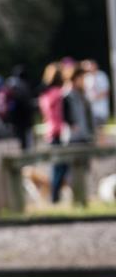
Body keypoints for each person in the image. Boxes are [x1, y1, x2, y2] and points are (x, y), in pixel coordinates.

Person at [54, 61, 94, 203]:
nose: (83, 81)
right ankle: (76, 197)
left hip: (84, 136)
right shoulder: (67, 94)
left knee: (85, 168)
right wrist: (72, 124)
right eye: (81, 78)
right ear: (75, 78)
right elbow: (63, 114)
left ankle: (84, 197)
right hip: (72, 138)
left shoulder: (82, 95)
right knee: (72, 170)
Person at [81, 58, 111, 133]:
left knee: (102, 129)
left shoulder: (102, 75)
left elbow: (106, 91)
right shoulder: (86, 77)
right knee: (93, 130)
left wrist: (96, 97)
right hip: (91, 108)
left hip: (101, 108)